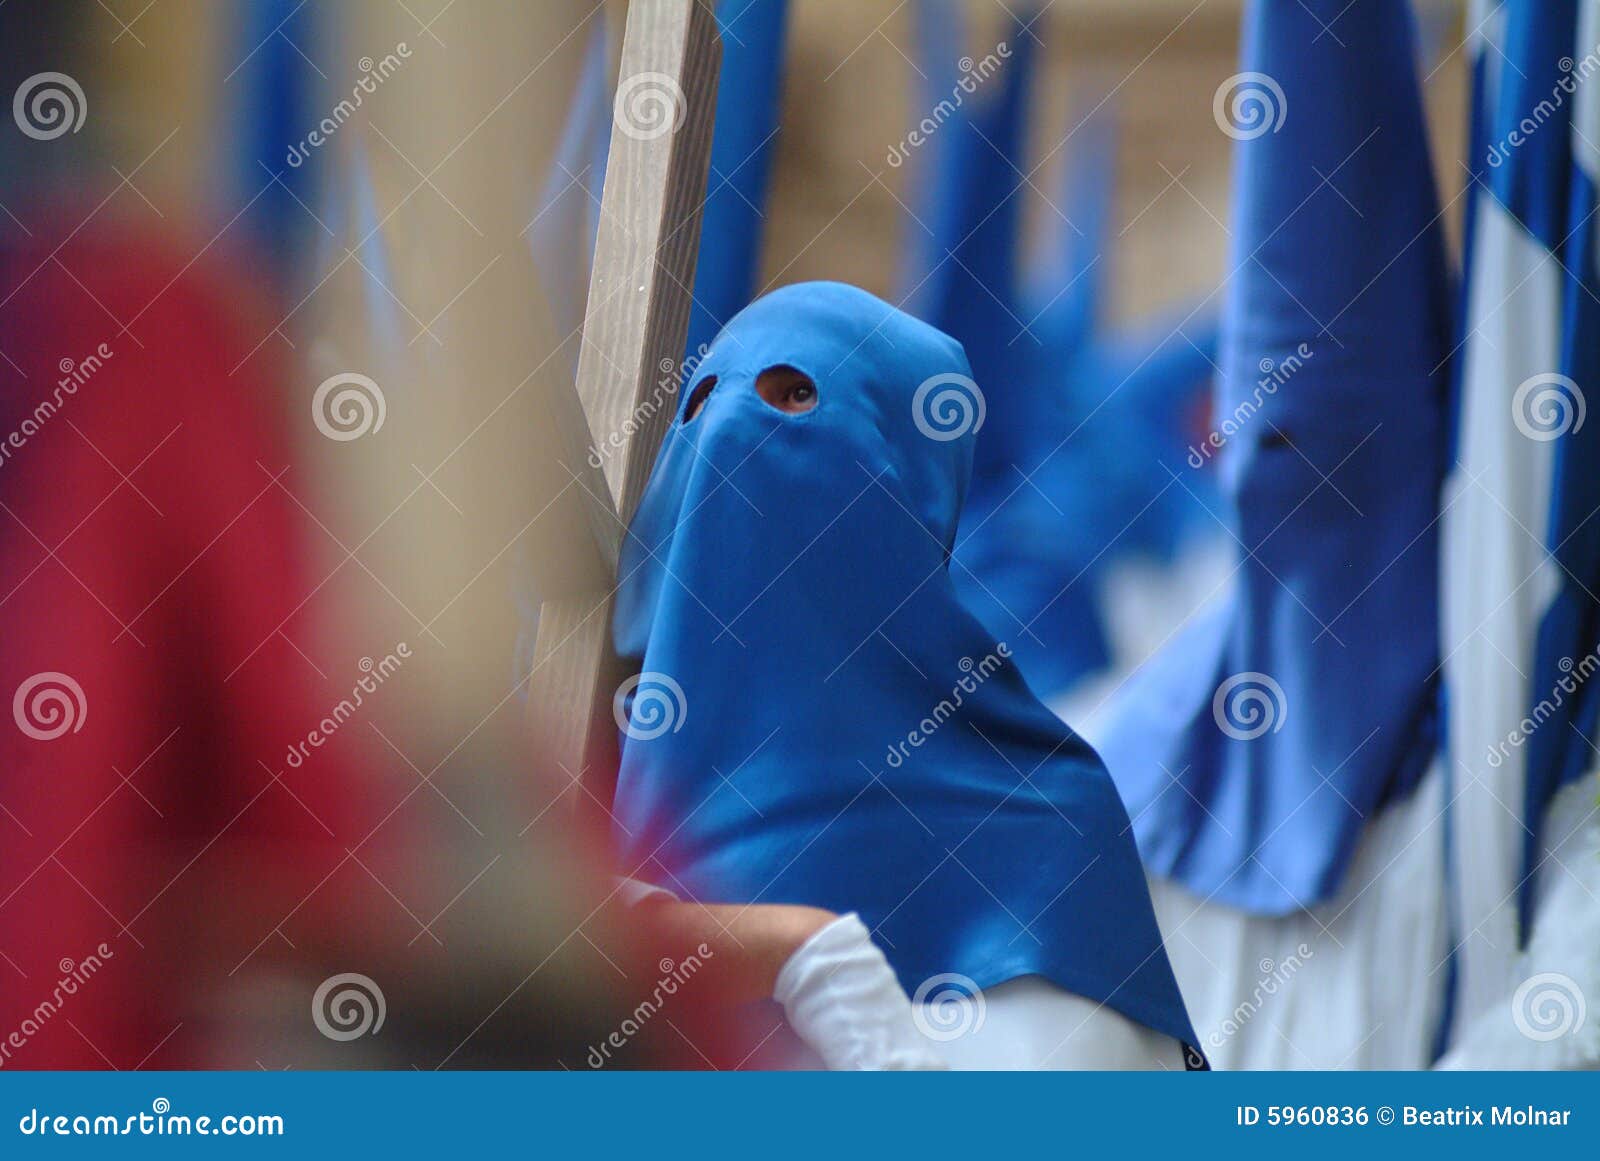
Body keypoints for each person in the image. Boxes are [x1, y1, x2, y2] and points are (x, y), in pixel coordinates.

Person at [605, 281, 1204, 1070]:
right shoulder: (583, 842)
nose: (733, 428)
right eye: (703, 400)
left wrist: (813, 964)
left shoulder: (1041, 838)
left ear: (908, 485)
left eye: (799, 396)